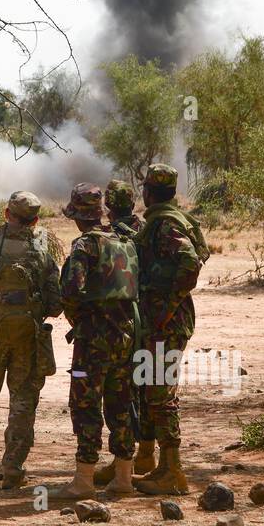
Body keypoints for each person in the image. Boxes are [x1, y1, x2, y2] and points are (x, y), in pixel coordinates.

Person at [0, 191, 62, 489]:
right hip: (28, 343)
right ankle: (13, 471)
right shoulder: (43, 256)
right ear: (35, 221)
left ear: (7, 215)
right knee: (22, 405)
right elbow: (56, 305)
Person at [45, 184, 139, 499]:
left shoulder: (85, 246)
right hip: (125, 338)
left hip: (93, 342)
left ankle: (84, 481)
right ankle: (124, 478)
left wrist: (79, 319)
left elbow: (71, 291)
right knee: (121, 403)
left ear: (76, 216)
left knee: (85, 405)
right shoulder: (124, 241)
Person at [133, 164, 206, 496]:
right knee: (152, 386)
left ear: (148, 192)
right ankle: (157, 463)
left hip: (166, 321)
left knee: (161, 393)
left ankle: (173, 471)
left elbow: (191, 262)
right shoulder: (173, 219)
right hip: (164, 319)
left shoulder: (164, 224)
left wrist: (168, 304)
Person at [101, 178, 155, 479]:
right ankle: (145, 453)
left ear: (109, 206)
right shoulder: (147, 230)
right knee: (147, 385)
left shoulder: (112, 237)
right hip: (153, 317)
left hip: (123, 321)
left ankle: (125, 458)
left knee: (123, 390)